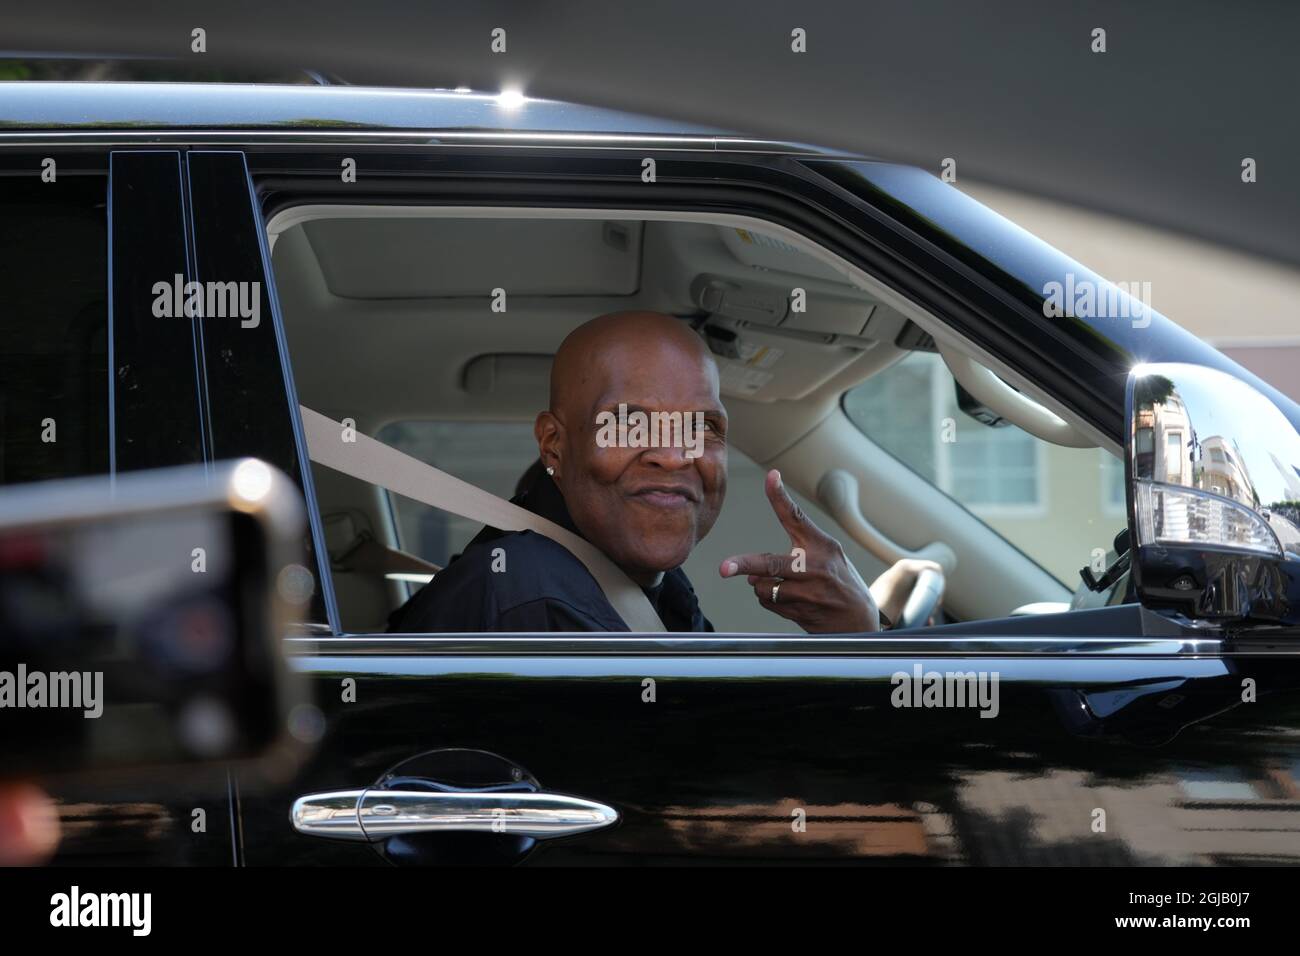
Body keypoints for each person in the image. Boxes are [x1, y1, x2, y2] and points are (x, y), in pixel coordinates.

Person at [389, 310, 939, 633]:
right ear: (554, 445)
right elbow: (722, 819)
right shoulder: (536, 599)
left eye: (702, 428)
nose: (675, 456)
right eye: (629, 425)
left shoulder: (639, 579)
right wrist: (860, 641)